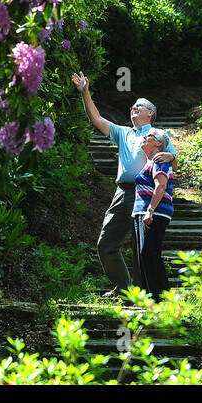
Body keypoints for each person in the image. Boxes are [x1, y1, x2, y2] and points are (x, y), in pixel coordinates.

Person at [71, 72, 176, 295]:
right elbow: (96, 119)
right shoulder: (124, 133)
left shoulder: (158, 134)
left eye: (139, 106)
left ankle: (142, 293)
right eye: (132, 107)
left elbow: (171, 162)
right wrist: (85, 91)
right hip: (121, 193)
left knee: (141, 246)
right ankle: (123, 286)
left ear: (151, 113)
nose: (133, 108)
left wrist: (172, 157)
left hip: (144, 193)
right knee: (105, 243)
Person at [132, 128, 175, 297]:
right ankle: (153, 295)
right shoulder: (150, 161)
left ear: (158, 143)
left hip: (154, 212)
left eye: (149, 136)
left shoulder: (160, 160)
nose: (144, 137)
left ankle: (162, 296)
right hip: (142, 212)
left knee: (149, 252)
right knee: (144, 254)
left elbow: (161, 186)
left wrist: (150, 210)